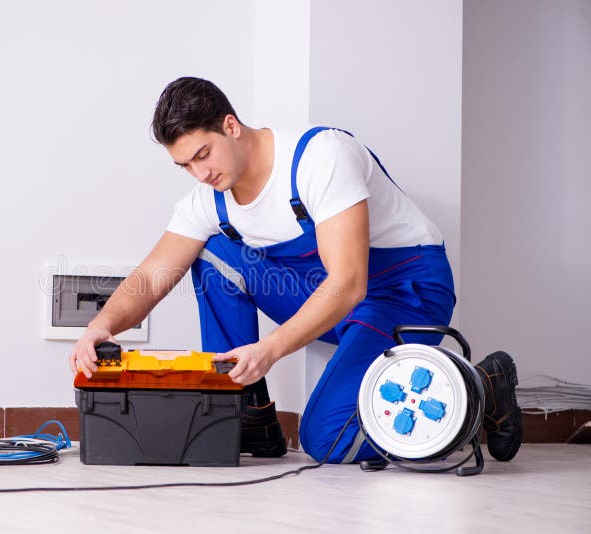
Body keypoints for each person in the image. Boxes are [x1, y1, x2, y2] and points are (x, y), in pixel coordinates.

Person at [69, 77, 523, 463]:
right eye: (185, 165)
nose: (199, 173)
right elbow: (151, 275)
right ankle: (245, 416)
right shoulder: (208, 200)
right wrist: (100, 327)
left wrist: (268, 350)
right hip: (328, 291)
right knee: (211, 253)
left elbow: (348, 282)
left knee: (327, 440)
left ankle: (480, 387)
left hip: (403, 292)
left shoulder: (320, 157)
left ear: (231, 126)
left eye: (203, 154)